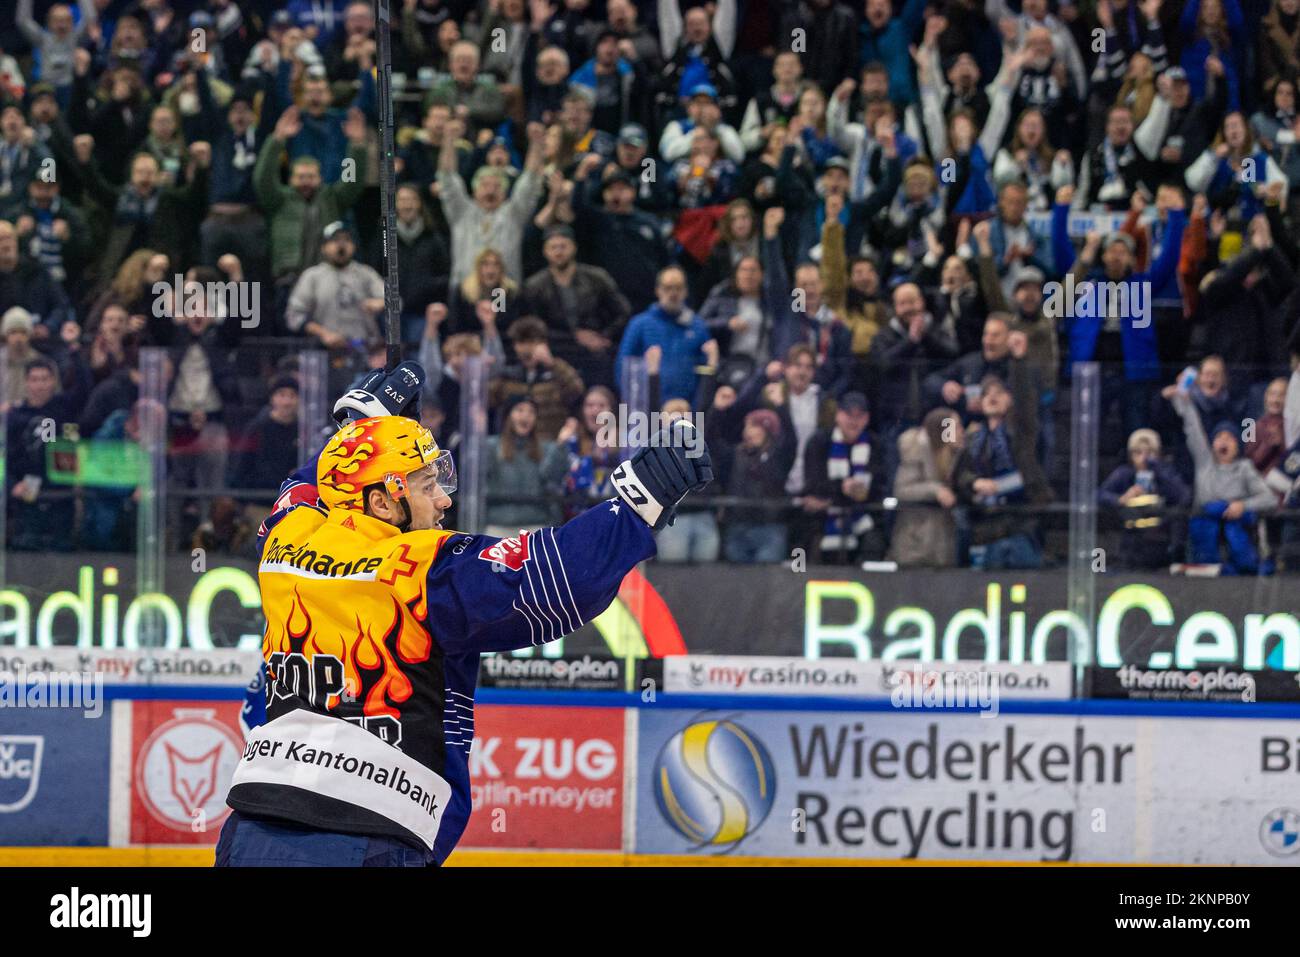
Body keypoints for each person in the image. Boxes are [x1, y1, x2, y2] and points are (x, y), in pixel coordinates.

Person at [218, 362, 712, 866]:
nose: (443, 498)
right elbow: (552, 579)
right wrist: (636, 505)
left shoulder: (285, 539)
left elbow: (312, 487)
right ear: (385, 504)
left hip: (251, 826)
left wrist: (361, 426)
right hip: (365, 833)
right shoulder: (416, 568)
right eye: (427, 483)